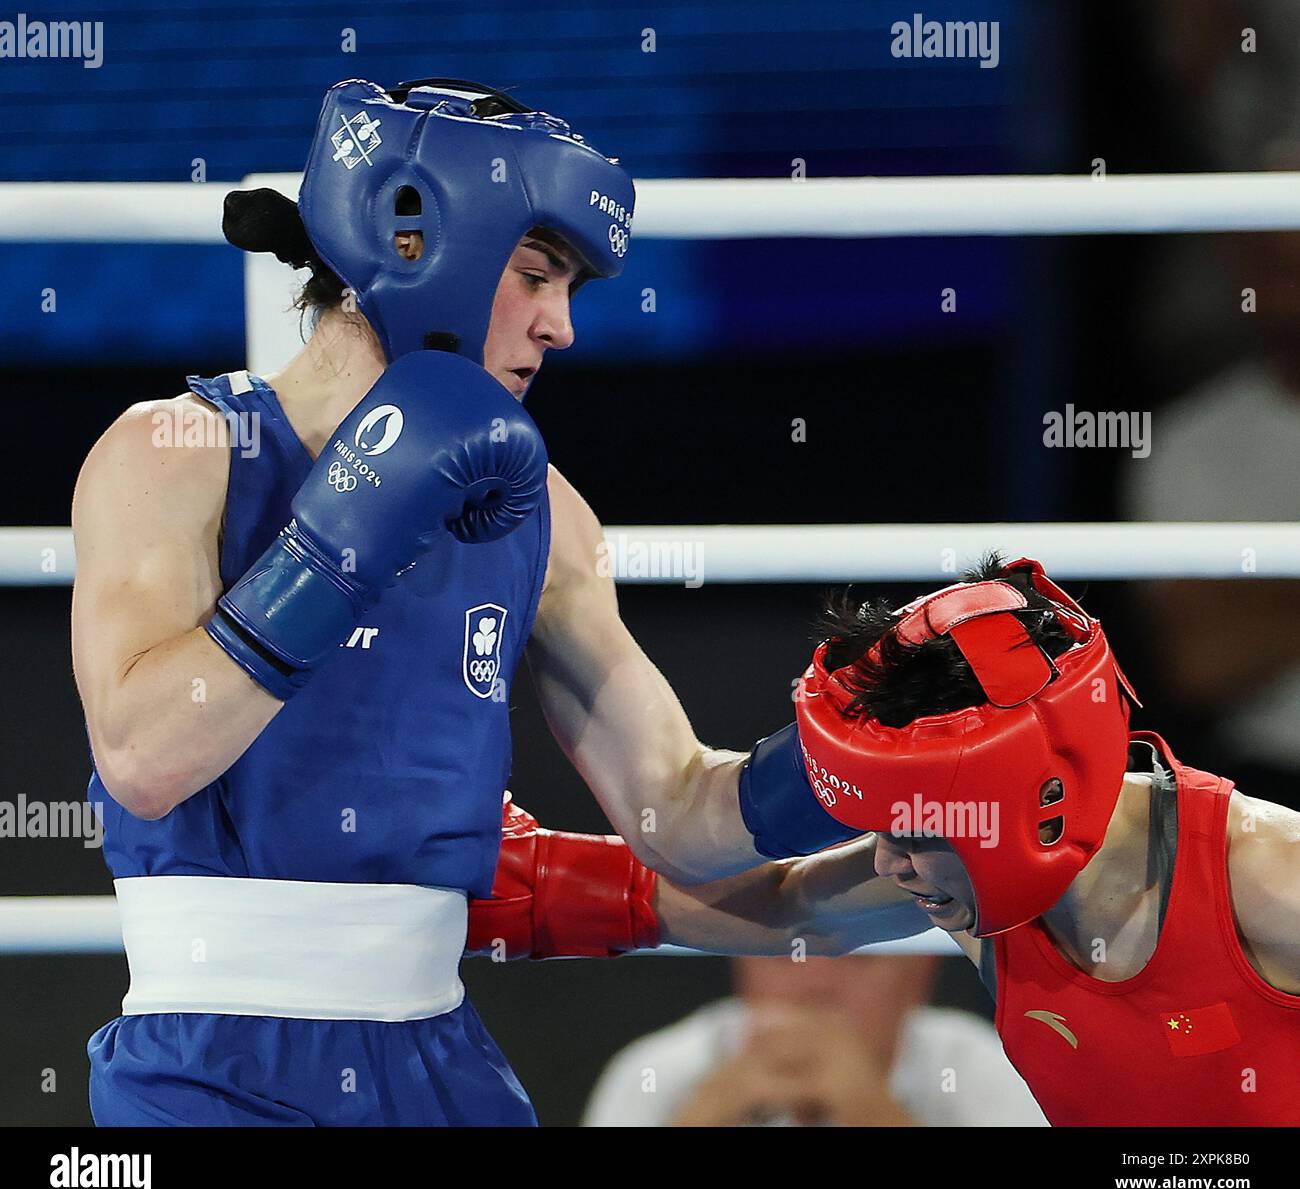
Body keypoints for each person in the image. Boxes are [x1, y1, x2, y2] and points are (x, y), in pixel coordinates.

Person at [70, 78, 878, 1126]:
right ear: (409, 242)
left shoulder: (540, 511)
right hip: (205, 1064)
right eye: (538, 275)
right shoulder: (176, 453)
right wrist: (343, 537)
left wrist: (859, 774)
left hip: (439, 1063)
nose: (562, 328)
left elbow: (678, 808)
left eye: (572, 289)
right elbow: (142, 758)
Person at [490, 555, 1300, 1125]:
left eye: (914, 831)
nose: (886, 862)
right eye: (880, 826)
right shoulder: (979, 879)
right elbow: (786, 901)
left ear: (1038, 801)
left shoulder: (1265, 875)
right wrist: (543, 889)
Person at [581, 954, 1046, 1127]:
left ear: (920, 974)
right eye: (788, 951)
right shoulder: (657, 1072)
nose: (817, 983)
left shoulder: (982, 1068)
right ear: (741, 962)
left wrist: (871, 1115)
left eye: (858, 958)